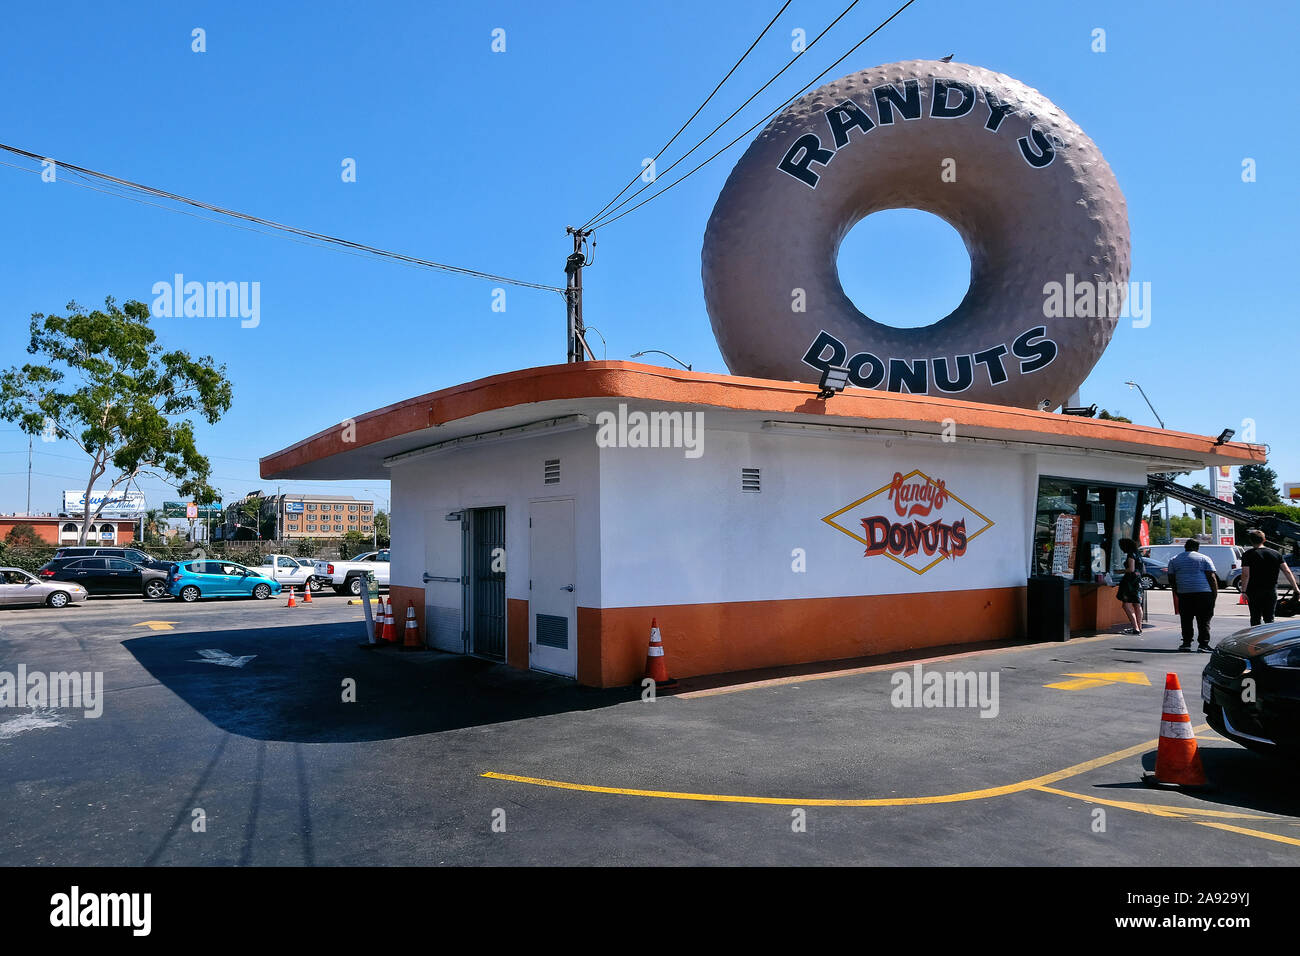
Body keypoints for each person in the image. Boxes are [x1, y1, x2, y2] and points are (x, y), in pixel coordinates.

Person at [1239, 528, 1300, 626]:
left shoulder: (1248, 554)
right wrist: (1296, 588)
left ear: (1250, 541)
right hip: (1270, 590)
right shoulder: (1276, 554)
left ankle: (1256, 639)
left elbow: (1246, 574)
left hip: (1253, 591)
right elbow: (1287, 571)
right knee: (1269, 618)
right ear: (1264, 540)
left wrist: (1243, 591)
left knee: (1255, 618)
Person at [1168, 539, 1218, 651]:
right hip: (1204, 593)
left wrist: (1177, 591)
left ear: (1185, 547)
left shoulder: (1174, 560)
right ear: (1197, 547)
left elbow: (1171, 578)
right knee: (1204, 620)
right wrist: (1214, 594)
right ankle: (1203, 644)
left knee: (1186, 619)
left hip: (1184, 593)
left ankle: (1186, 643)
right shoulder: (1204, 558)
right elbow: (1212, 577)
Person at [1115, 538, 1144, 634]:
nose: (1121, 548)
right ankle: (1139, 628)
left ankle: (1135, 627)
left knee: (1126, 604)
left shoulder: (1131, 554)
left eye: (1121, 546)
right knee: (1137, 604)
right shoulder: (1138, 554)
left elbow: (1131, 569)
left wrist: (1119, 571)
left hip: (1130, 582)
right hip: (1138, 581)